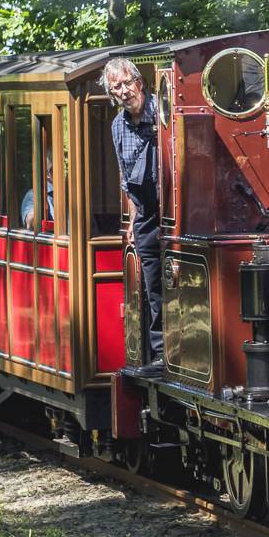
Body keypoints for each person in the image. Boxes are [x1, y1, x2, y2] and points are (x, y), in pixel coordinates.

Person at [105, 57, 164, 378]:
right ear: (113, 95)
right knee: (153, 286)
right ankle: (160, 353)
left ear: (140, 82)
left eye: (128, 83)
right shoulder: (118, 126)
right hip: (146, 213)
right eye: (117, 87)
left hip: (178, 209)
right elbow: (126, 180)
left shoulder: (164, 112)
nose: (125, 91)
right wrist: (131, 221)